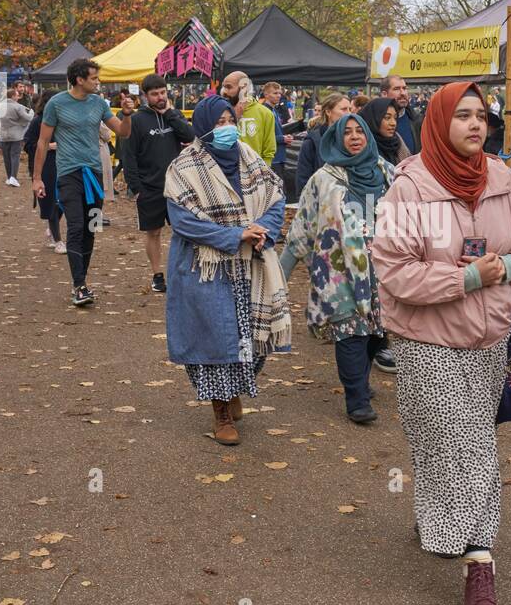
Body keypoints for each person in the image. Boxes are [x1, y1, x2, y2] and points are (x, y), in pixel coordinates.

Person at [371, 80, 511, 605]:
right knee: (463, 445)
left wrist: (509, 266)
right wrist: (467, 275)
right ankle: (479, 565)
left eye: (482, 116)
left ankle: (441, 519)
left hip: (489, 339)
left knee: (452, 441)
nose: (476, 125)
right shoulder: (409, 188)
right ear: (439, 121)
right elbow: (393, 272)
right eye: (463, 115)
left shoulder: (507, 181)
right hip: (427, 342)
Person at [163, 95, 291, 446]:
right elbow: (184, 222)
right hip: (206, 270)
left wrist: (261, 230)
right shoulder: (184, 167)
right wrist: (236, 235)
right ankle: (220, 411)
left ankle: (235, 389)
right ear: (204, 127)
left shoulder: (251, 160)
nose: (226, 127)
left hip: (252, 265)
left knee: (254, 340)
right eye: (218, 123)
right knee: (214, 342)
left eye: (228, 119)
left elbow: (276, 200)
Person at [281, 113, 396, 423]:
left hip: (383, 270)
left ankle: (360, 381)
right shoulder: (324, 178)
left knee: (376, 331)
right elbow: (302, 227)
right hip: (338, 272)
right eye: (347, 133)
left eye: (360, 131)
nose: (355, 137)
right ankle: (356, 399)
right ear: (336, 139)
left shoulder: (387, 173)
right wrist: (279, 277)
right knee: (351, 330)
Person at [32, 59, 133, 307]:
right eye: (94, 78)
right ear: (79, 79)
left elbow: (123, 131)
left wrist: (128, 115)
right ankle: (79, 286)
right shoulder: (56, 104)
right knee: (76, 227)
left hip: (95, 174)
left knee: (92, 228)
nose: (98, 82)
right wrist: (36, 179)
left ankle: (82, 280)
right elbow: (43, 142)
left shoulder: (99, 103)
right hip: (67, 174)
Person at [121, 74, 193, 293]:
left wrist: (170, 113)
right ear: (145, 95)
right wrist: (136, 187)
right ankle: (157, 275)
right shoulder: (136, 119)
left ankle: (182, 272)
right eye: (155, 94)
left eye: (163, 92)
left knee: (184, 231)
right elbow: (128, 156)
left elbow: (189, 134)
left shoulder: (174, 115)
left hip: (177, 186)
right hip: (149, 188)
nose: (160, 97)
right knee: (154, 232)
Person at [25, 92, 64, 253]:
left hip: (63, 165)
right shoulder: (37, 121)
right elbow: (28, 145)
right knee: (51, 203)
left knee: (63, 201)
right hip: (45, 166)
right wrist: (49, 146)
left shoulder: (63, 121)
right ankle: (58, 240)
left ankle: (52, 227)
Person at [295, 92, 352, 197]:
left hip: (351, 204)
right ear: (328, 112)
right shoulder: (312, 142)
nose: (349, 114)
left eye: (350, 109)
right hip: (322, 202)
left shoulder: (355, 139)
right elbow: (303, 180)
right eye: (344, 109)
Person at [220, 72, 277, 166]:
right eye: (223, 87)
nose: (224, 91)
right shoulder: (218, 111)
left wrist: (263, 174)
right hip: (225, 171)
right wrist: (235, 118)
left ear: (244, 88)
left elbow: (268, 152)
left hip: (254, 174)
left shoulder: (265, 113)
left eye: (228, 87)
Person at [0, 87, 33, 186]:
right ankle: (13, 177)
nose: (18, 96)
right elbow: (28, 117)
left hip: (3, 135)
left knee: (6, 157)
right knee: (15, 156)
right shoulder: (18, 107)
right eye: (17, 95)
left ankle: (9, 177)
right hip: (16, 135)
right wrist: (32, 112)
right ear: (12, 96)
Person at [358, 97, 408, 167]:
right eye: (387, 118)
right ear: (373, 119)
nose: (393, 123)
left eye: (395, 117)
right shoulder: (362, 148)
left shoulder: (397, 142)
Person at [382, 74, 422, 154]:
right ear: (384, 94)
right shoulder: (375, 122)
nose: (403, 93)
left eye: (404, 88)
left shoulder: (417, 121)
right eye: (396, 89)